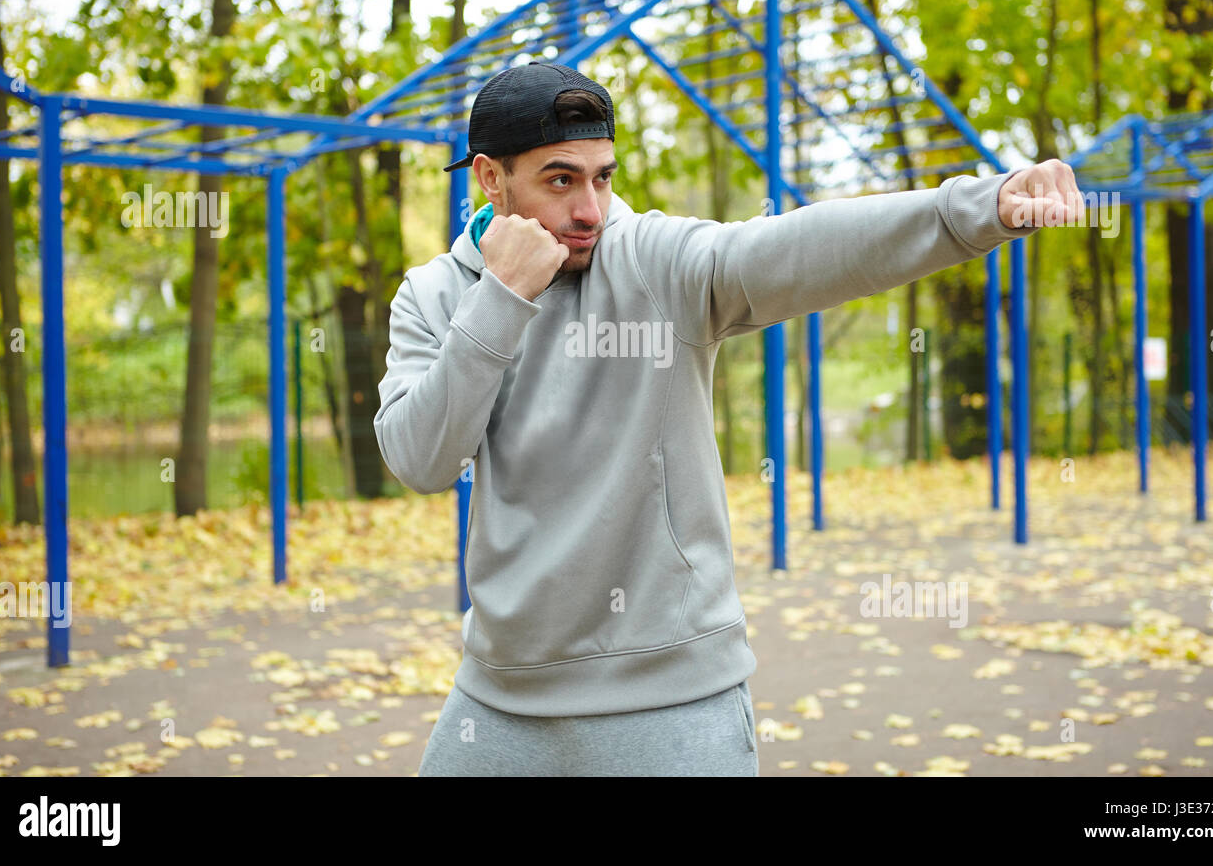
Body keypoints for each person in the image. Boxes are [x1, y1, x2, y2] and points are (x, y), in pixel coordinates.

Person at [374, 60, 1082, 776]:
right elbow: (421, 460)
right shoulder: (433, 296)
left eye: (603, 177)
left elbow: (801, 247)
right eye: (561, 180)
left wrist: (979, 208)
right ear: (492, 179)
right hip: (499, 702)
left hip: (674, 704)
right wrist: (500, 299)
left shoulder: (655, 262)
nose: (590, 208)